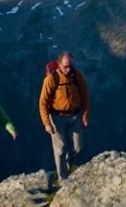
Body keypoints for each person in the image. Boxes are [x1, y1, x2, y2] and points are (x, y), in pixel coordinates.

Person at [38, 52, 90, 183]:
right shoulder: (51, 79)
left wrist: (85, 115)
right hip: (57, 118)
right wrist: (46, 123)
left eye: (70, 66)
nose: (68, 69)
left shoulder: (77, 76)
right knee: (60, 149)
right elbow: (43, 102)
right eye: (65, 66)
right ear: (59, 64)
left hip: (75, 116)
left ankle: (69, 165)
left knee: (78, 148)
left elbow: (85, 96)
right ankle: (63, 179)